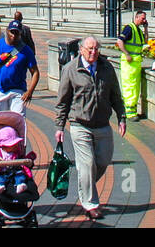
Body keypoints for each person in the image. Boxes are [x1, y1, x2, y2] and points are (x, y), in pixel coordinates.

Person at [54, 35, 126, 220]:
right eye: (89, 49)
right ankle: (91, 204)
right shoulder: (71, 69)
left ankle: (85, 187)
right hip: (80, 124)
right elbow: (63, 101)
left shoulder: (106, 68)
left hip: (102, 124)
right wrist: (59, 126)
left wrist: (121, 117)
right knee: (86, 165)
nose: (93, 52)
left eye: (96, 49)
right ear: (81, 50)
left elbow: (116, 95)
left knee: (102, 162)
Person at [0, 20, 40, 114]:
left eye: (17, 33)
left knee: (18, 120)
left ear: (20, 33)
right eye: (12, 32)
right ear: (7, 31)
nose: (14, 35)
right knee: (0, 121)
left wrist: (30, 91)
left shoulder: (26, 50)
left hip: (17, 89)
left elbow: (35, 72)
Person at [0, 125, 38, 200]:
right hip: (0, 172)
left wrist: (28, 158)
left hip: (14, 171)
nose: (16, 146)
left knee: (20, 175)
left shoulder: (16, 152)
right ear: (4, 145)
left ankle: (20, 185)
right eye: (13, 144)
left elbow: (21, 158)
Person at [116, 11, 149, 120]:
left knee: (135, 88)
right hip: (129, 64)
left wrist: (146, 28)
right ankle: (129, 113)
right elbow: (119, 41)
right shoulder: (129, 28)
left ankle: (132, 112)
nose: (144, 20)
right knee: (129, 88)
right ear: (136, 17)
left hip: (135, 64)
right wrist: (127, 54)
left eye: (145, 19)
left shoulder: (138, 30)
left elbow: (145, 41)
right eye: (142, 18)